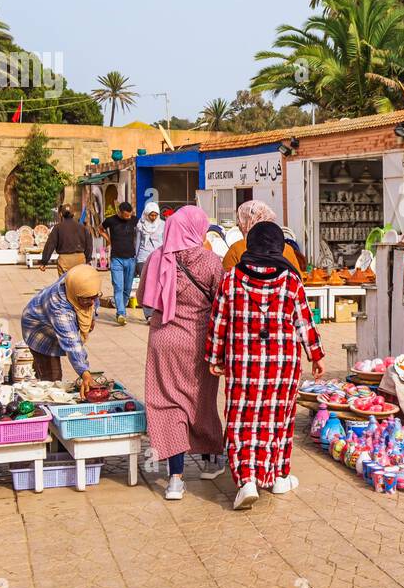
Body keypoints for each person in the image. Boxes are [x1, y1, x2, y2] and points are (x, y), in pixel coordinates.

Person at [208, 221, 324, 510]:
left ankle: (247, 479)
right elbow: (304, 322)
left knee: (242, 419)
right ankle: (277, 475)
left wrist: (214, 357)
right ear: (278, 246)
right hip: (282, 363)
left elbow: (218, 322)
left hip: (242, 363)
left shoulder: (232, 278)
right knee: (278, 417)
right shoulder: (290, 280)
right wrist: (316, 355)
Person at [136, 206, 225, 500]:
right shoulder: (211, 260)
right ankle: (212, 461)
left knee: (167, 405)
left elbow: (142, 299)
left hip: (163, 340)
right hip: (199, 342)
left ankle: (174, 479)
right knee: (200, 401)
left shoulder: (156, 258)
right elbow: (223, 300)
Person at [20, 264, 101, 398]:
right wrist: (85, 373)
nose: (92, 302)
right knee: (53, 379)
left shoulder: (78, 281)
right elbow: (71, 343)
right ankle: (47, 410)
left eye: (94, 297)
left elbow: (92, 300)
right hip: (38, 330)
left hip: (49, 321)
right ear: (76, 294)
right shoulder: (59, 308)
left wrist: (91, 317)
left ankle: (38, 372)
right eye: (86, 299)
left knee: (45, 370)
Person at [221, 200, 303, 275]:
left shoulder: (236, 248)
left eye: (241, 219)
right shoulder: (287, 249)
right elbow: (299, 279)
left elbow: (225, 280)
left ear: (249, 221)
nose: (238, 224)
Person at [101, 202, 139, 325]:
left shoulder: (135, 220)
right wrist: (108, 240)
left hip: (131, 259)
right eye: (126, 216)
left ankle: (121, 310)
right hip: (116, 259)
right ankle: (121, 313)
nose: (128, 218)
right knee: (118, 287)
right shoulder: (111, 220)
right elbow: (100, 229)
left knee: (127, 289)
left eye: (130, 215)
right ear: (120, 212)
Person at [40, 205, 92, 274]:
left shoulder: (57, 228)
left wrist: (44, 262)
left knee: (64, 283)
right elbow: (89, 245)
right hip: (80, 259)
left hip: (64, 260)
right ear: (74, 214)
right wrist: (88, 260)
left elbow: (50, 245)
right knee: (79, 283)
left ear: (61, 214)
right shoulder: (82, 227)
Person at [135, 203, 165, 320]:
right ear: (146, 214)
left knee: (158, 285)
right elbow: (137, 243)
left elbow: (165, 241)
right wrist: (135, 259)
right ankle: (148, 314)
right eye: (151, 215)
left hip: (159, 258)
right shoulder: (140, 225)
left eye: (155, 215)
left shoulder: (163, 225)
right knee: (147, 285)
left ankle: (157, 310)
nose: (153, 218)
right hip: (143, 258)